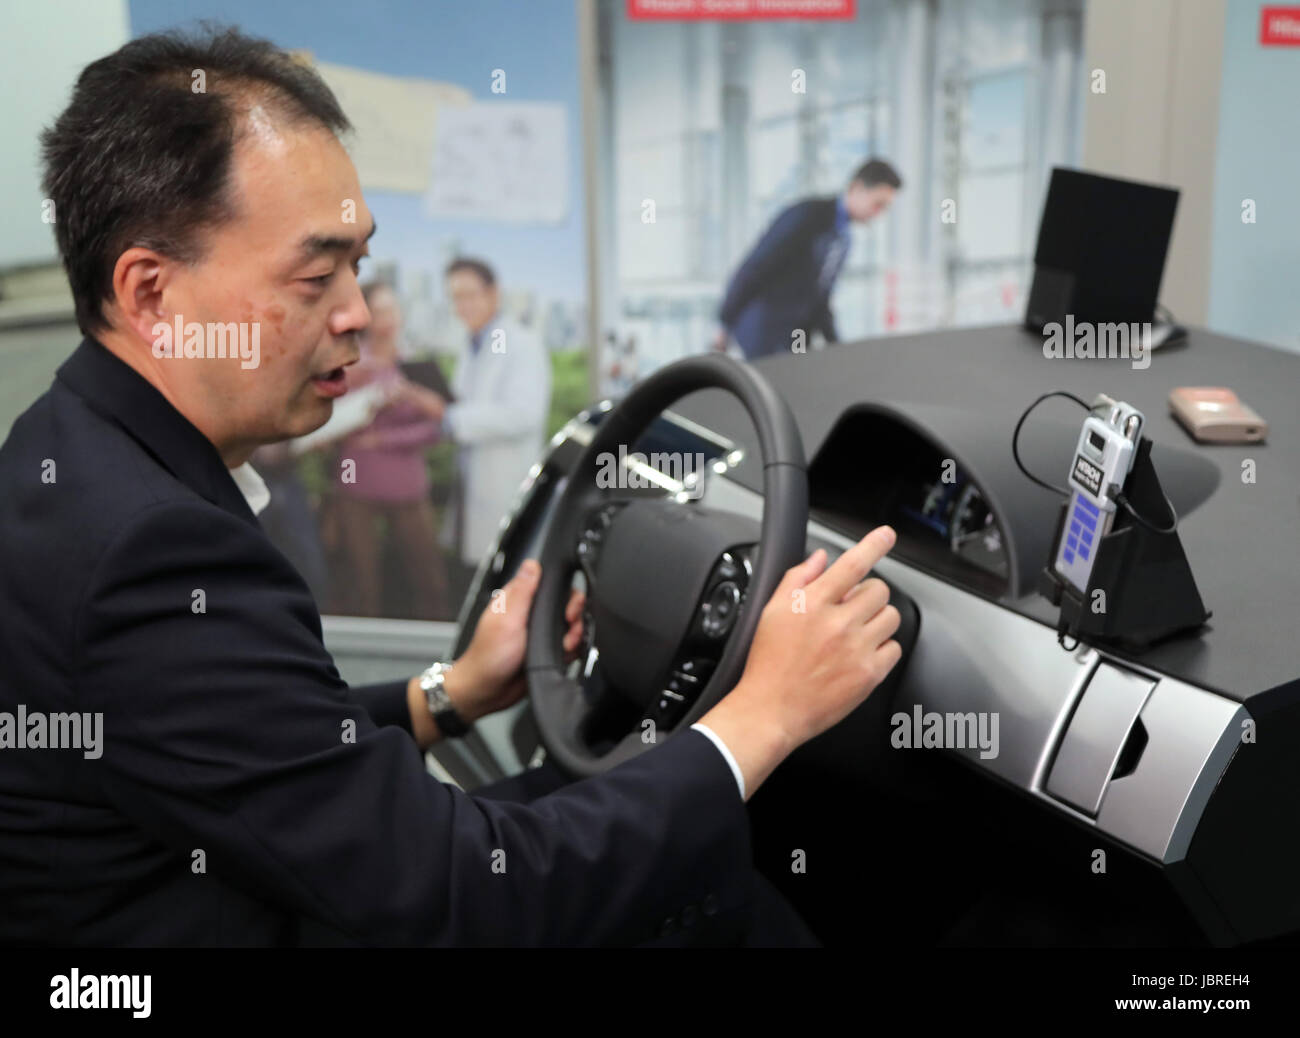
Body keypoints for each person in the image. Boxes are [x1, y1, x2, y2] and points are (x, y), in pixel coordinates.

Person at [0, 26, 902, 947]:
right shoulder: (147, 552)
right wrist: (767, 712)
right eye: (316, 276)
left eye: (358, 265)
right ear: (152, 296)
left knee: (579, 803)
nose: (355, 313)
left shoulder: (71, 452)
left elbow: (251, 742)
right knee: (712, 903)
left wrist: (451, 692)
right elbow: (468, 898)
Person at [333, 281, 451, 619]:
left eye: (393, 309)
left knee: (429, 577)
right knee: (360, 579)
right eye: (380, 310)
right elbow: (325, 423)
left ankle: (439, 657)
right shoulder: (347, 362)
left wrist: (384, 438)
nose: (389, 318)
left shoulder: (416, 365)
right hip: (356, 483)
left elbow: (437, 426)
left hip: (407, 485)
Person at [715, 159, 901, 361]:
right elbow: (757, 265)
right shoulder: (807, 215)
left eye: (885, 208)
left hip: (797, 337)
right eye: (878, 204)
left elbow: (819, 297)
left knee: (801, 382)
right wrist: (725, 322)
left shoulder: (843, 239)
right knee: (772, 387)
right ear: (856, 188)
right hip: (765, 330)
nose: (879, 213)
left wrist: (838, 348)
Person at [439, 258, 550, 574]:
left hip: (503, 486)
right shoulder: (471, 344)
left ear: (494, 293)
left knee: (504, 579)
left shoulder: (523, 344)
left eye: (469, 295)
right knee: (473, 580)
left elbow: (523, 413)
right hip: (469, 488)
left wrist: (452, 417)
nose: (462, 306)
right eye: (455, 298)